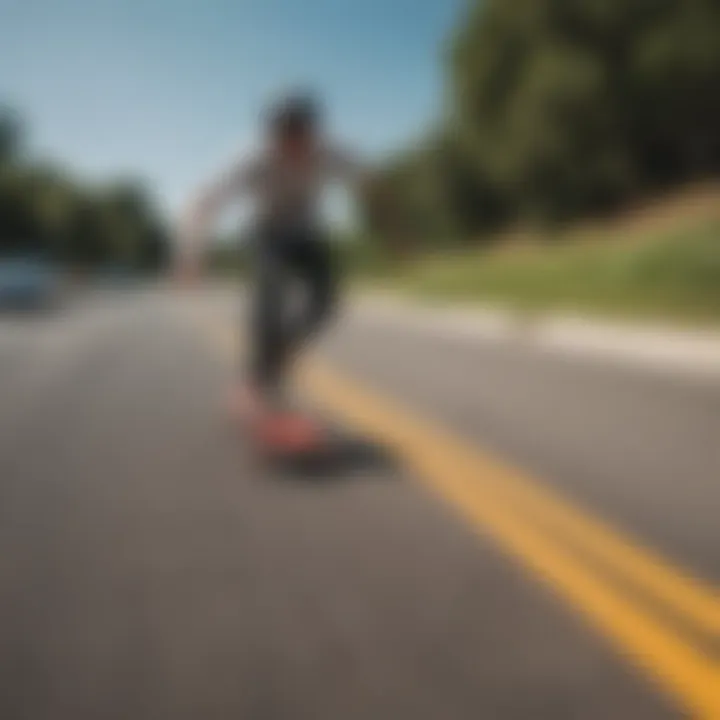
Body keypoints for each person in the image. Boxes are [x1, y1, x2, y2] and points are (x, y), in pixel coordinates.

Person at [175, 92, 375, 445]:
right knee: (268, 298)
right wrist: (191, 255)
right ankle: (257, 379)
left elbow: (369, 179)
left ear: (314, 134)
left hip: (307, 233)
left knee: (326, 302)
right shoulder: (251, 157)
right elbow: (202, 201)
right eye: (286, 143)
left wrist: (390, 221)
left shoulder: (330, 151)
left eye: (302, 142)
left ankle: (276, 356)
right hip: (267, 233)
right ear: (272, 138)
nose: (294, 151)